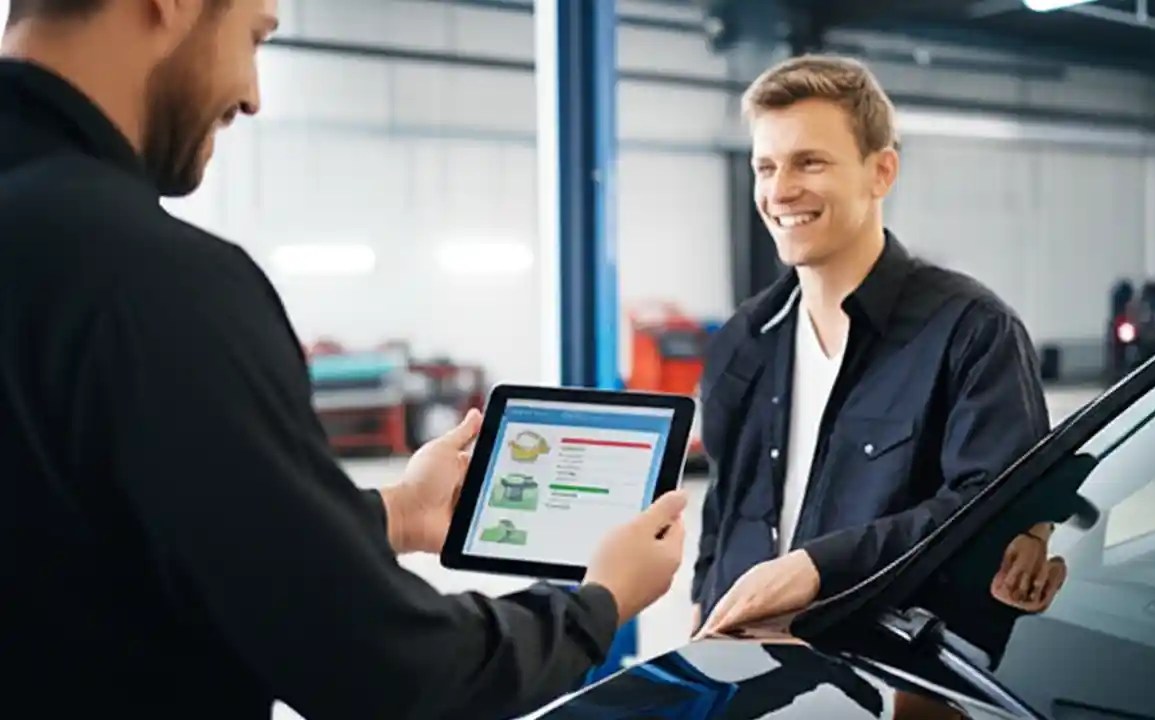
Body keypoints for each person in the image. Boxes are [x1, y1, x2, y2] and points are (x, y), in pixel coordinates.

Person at [0, 1, 687, 717]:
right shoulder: (145, 280)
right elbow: (391, 669)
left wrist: (398, 512)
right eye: (254, 37)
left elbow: (127, 541)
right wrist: (595, 606)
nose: (252, 96)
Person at [691, 55, 1053, 637]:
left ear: (881, 172)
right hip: (744, 668)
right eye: (765, 167)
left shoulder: (972, 332)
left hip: (889, 681)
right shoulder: (743, 340)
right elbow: (723, 510)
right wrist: (704, 608)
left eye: (809, 163)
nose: (780, 191)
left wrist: (817, 569)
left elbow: (994, 510)